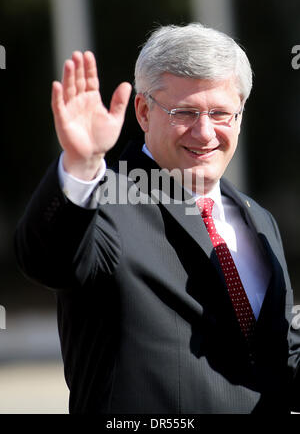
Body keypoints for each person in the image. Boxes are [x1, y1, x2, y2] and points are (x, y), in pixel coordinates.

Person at [15, 23, 300, 414]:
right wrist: (80, 166)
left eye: (220, 113)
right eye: (185, 112)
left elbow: (278, 359)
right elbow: (45, 259)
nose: (204, 133)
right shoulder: (106, 200)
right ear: (144, 112)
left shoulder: (260, 221)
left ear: (240, 116)